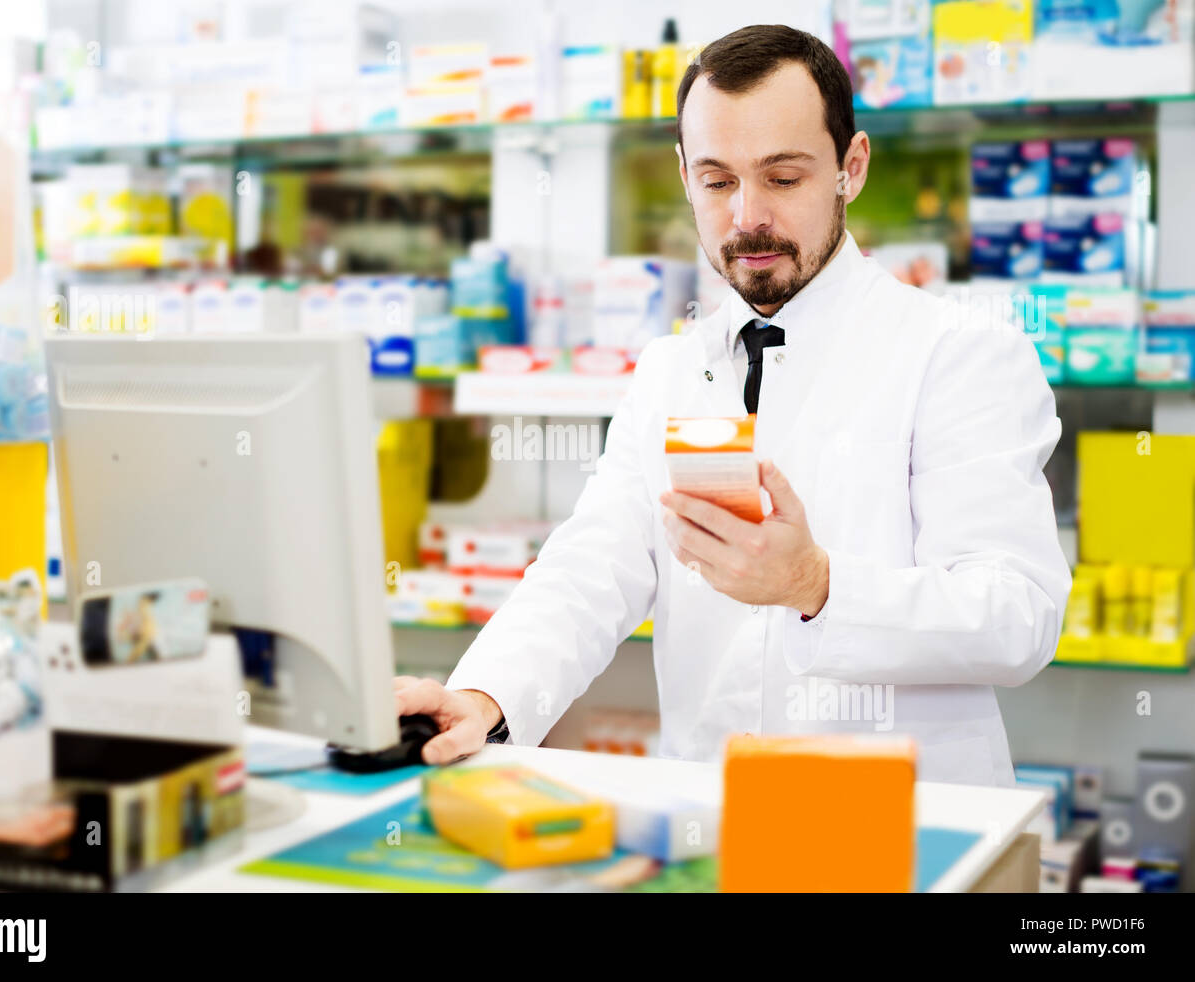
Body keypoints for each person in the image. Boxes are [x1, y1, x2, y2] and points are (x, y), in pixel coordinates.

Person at [395, 24, 1070, 786]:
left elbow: (1018, 614)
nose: (747, 217)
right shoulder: (672, 368)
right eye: (718, 182)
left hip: (913, 823)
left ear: (851, 166)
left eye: (783, 178)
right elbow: (591, 568)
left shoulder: (959, 352)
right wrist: (483, 696)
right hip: (715, 813)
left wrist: (816, 585)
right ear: (685, 176)